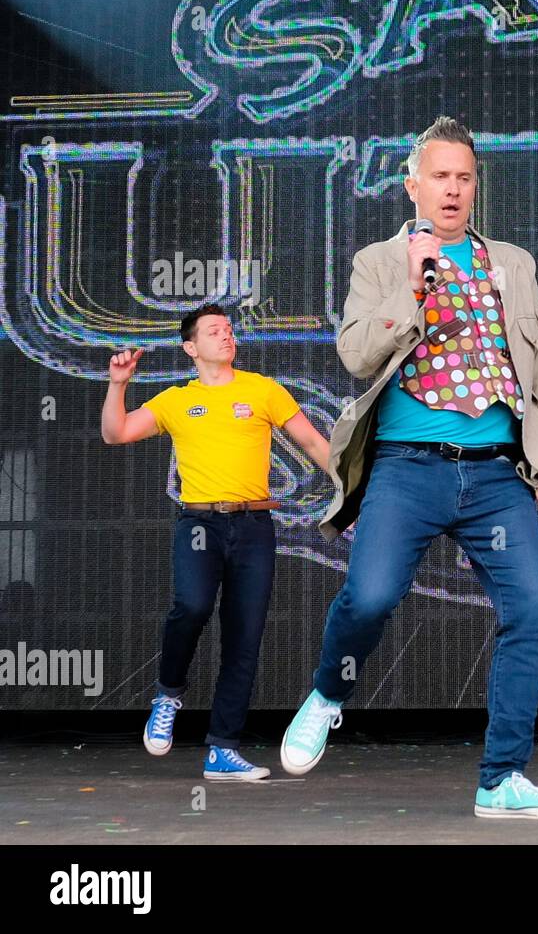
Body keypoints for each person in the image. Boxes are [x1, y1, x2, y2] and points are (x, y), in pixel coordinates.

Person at [280, 117, 538, 820]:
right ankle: (328, 695)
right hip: (408, 469)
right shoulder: (379, 263)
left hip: (496, 474)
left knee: (532, 608)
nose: (451, 189)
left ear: (476, 186)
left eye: (463, 178)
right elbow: (356, 355)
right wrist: (413, 290)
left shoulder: (512, 263)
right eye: (438, 177)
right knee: (372, 597)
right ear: (413, 185)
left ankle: (501, 779)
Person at [101, 303, 330, 780]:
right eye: (213, 331)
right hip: (200, 524)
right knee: (192, 605)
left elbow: (312, 443)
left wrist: (355, 492)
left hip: (254, 527)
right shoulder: (175, 400)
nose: (225, 336)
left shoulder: (263, 390)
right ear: (191, 347)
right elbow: (116, 432)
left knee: (244, 636)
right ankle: (168, 694)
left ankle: (222, 749)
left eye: (228, 330)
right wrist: (119, 384)